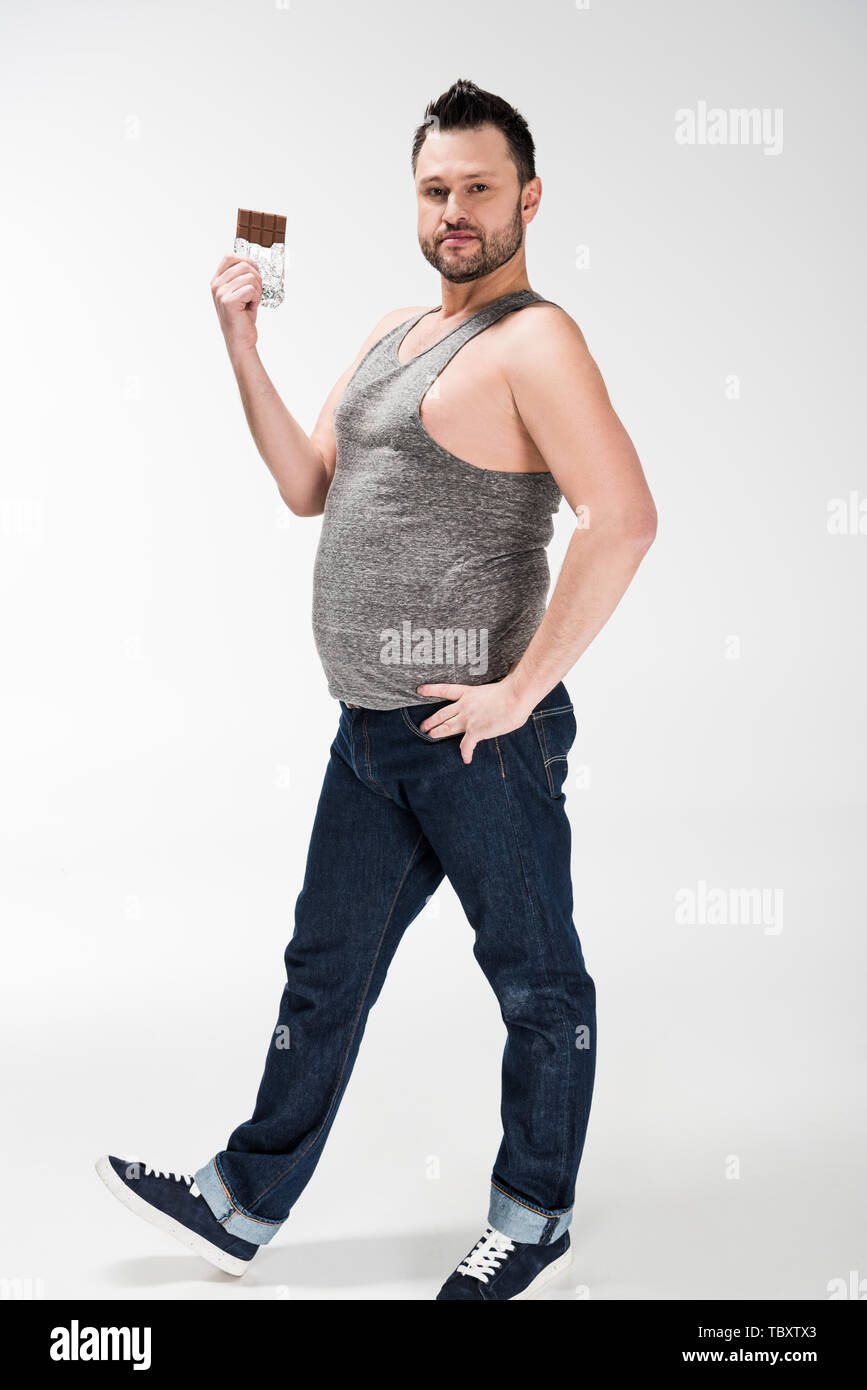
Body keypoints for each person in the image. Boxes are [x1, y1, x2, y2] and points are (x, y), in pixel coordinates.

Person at [97, 77, 657, 1301]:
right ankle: (243, 1202)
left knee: (538, 981)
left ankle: (536, 1215)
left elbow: (624, 518)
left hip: (474, 742)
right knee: (325, 970)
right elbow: (306, 482)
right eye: (437, 189)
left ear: (530, 198)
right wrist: (242, 344)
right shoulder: (395, 330)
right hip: (368, 734)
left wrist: (520, 690)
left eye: (479, 188)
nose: (456, 210)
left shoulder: (538, 340)